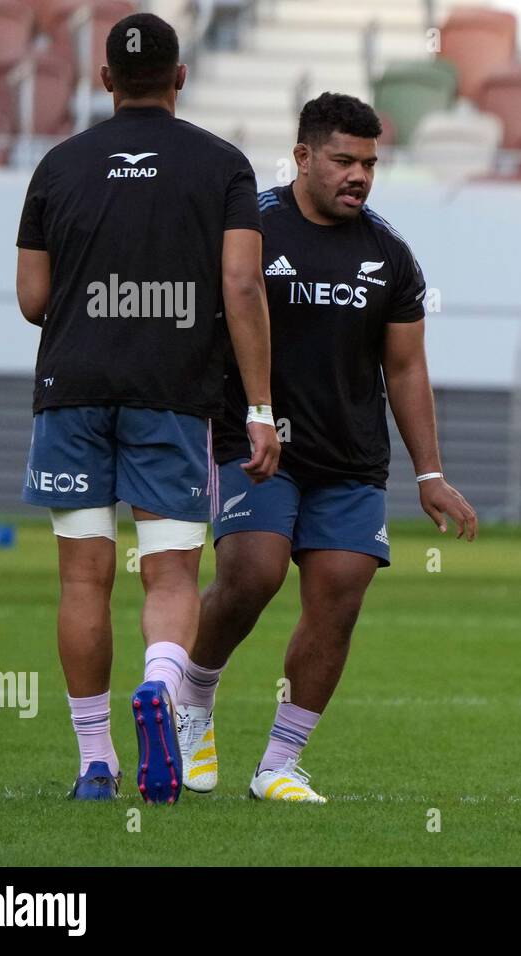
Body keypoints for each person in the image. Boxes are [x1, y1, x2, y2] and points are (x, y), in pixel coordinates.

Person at [175, 93, 477, 803]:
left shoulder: (389, 254)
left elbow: (404, 368)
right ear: (303, 157)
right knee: (254, 573)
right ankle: (193, 699)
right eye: (344, 160)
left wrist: (429, 472)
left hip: (350, 459)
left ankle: (280, 763)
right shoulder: (252, 232)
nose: (359, 175)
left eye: (370, 163)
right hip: (254, 442)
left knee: (340, 595)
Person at [15, 13, 279, 803]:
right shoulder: (222, 165)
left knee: (82, 578)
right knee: (169, 574)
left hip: (73, 390)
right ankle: (161, 689)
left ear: (104, 82)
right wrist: (260, 407)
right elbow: (241, 286)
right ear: (180, 77)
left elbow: (33, 299)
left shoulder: (58, 165)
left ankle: (97, 761)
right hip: (172, 394)